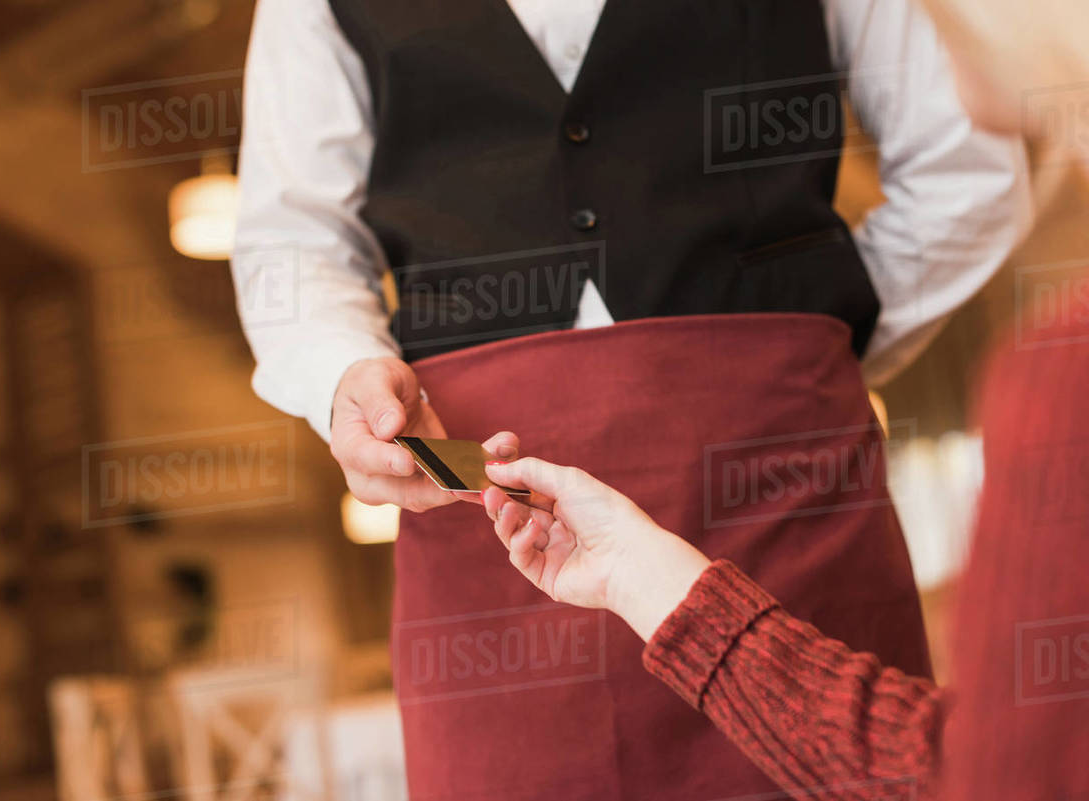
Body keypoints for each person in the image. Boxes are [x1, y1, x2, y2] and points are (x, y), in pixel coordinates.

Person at [230, 0, 1032, 797]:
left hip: (789, 506)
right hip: (492, 527)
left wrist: (810, 348)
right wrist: (343, 373)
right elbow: (294, 241)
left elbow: (966, 161)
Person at [477, 11, 1089, 794]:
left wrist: (811, 347)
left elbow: (989, 779)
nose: (949, 75)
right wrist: (637, 570)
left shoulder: (1060, 386)